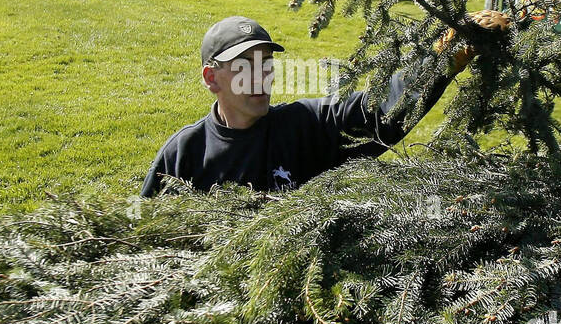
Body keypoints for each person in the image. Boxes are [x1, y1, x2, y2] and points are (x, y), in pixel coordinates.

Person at [140, 11, 510, 197]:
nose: (259, 77)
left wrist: (443, 59)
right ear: (211, 78)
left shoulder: (305, 125)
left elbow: (380, 111)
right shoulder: (184, 154)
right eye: (243, 67)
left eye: (265, 65)